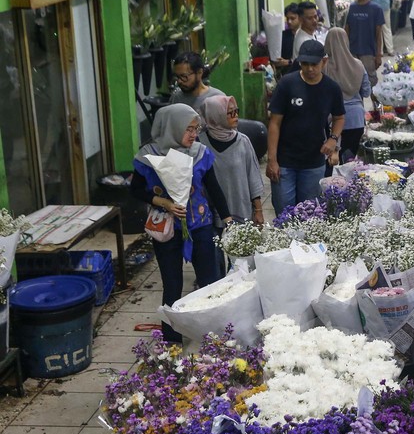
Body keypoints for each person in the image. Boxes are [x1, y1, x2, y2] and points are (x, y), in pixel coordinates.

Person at [131, 104, 231, 342]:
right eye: (188, 129)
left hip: (201, 225)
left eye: (196, 129)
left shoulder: (199, 153)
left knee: (209, 282)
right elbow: (135, 190)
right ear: (172, 128)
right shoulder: (148, 156)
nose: (194, 135)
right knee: (172, 285)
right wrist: (164, 203)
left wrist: (227, 217)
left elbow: (213, 187)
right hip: (166, 230)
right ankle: (172, 341)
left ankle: (211, 335)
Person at [266, 40, 345, 214]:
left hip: (314, 163)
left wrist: (333, 140)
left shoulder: (331, 88)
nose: (309, 69)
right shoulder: (287, 84)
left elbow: (339, 117)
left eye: (314, 64)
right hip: (285, 162)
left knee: (308, 213)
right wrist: (272, 160)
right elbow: (274, 123)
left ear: (324, 62)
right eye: (305, 64)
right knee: (285, 214)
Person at [198, 95, 263, 275]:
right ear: (215, 116)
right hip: (210, 213)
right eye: (229, 113)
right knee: (214, 261)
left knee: (240, 265)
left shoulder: (243, 141)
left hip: (239, 209)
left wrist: (258, 210)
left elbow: (253, 177)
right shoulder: (199, 143)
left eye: (236, 112)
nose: (235, 116)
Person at [323, 28, 372, 162]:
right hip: (356, 118)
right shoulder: (358, 64)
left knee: (331, 161)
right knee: (349, 160)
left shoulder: (324, 66)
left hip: (332, 121)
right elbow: (367, 91)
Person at [344, 0, 385, 86]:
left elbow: (378, 34)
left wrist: (378, 54)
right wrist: (345, 52)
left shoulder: (376, 9)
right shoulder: (349, 9)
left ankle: (376, 103)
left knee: (371, 82)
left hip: (368, 52)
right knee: (354, 82)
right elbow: (346, 31)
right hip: (353, 52)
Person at [277, 3, 300, 70]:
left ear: (300, 18)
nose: (289, 22)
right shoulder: (282, 36)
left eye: (292, 18)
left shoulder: (304, 36)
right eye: (287, 18)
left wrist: (288, 62)